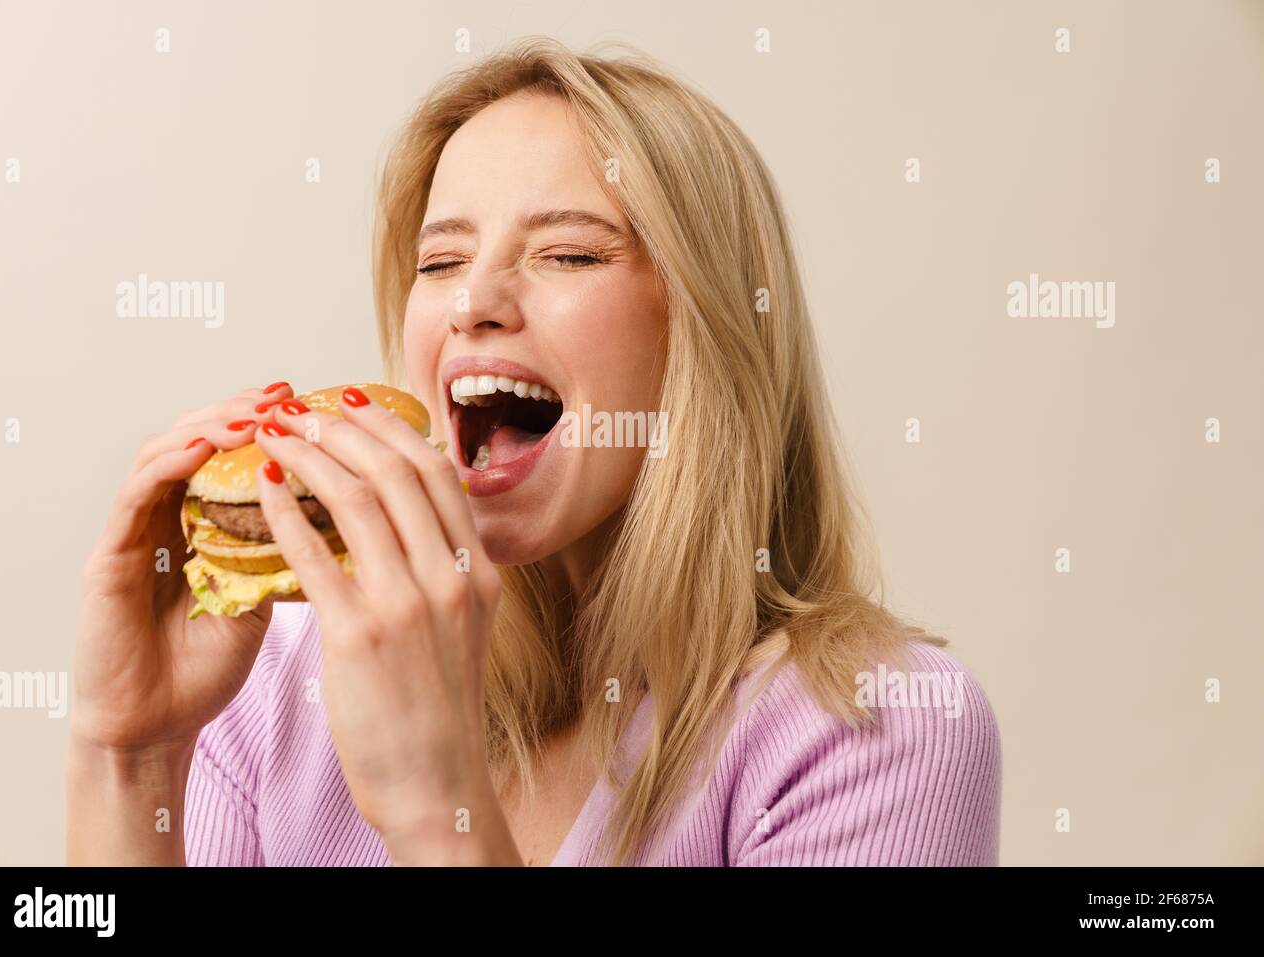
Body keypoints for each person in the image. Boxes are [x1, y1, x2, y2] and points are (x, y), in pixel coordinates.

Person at [68, 37, 1000, 867]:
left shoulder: (877, 723)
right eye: (440, 263)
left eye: (568, 254)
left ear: (709, 328)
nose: (472, 302)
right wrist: (131, 755)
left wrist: (436, 805)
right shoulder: (279, 675)